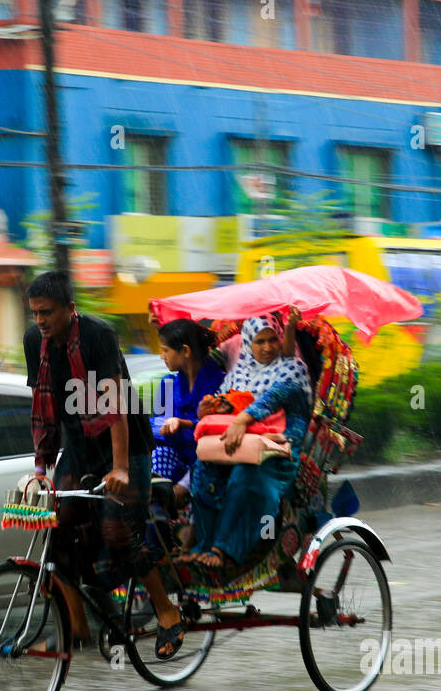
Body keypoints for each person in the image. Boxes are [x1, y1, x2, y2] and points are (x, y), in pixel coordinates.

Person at [25, 271, 189, 658]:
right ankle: (78, 626)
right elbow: (40, 407)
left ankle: (167, 611)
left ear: (70, 308)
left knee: (118, 533)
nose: (41, 321)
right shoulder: (36, 340)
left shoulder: (98, 335)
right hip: (78, 445)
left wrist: (119, 468)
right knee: (57, 528)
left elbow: (114, 403)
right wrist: (38, 471)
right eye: (34, 313)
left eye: (47, 312)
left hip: (124, 444)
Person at [186, 310, 311, 570]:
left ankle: (225, 550)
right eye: (260, 341)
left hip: (277, 450)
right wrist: (211, 408)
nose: (267, 347)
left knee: (245, 477)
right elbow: (226, 399)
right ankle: (204, 545)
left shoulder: (294, 368)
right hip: (236, 444)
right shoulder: (239, 372)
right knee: (203, 471)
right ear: (248, 344)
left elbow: (275, 397)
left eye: (272, 340)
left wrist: (243, 420)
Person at [149, 318, 225, 509]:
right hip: (175, 461)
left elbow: (217, 431)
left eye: (165, 350)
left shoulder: (220, 384)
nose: (161, 356)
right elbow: (156, 424)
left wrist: (182, 423)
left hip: (207, 464)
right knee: (156, 457)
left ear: (185, 351)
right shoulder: (167, 384)